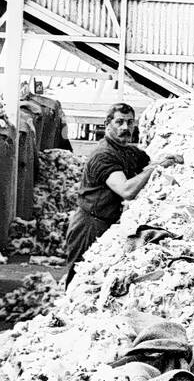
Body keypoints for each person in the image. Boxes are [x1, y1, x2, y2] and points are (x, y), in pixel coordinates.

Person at [64, 103, 179, 284]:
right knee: (80, 280)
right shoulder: (103, 155)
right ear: (107, 124)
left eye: (130, 122)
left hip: (106, 223)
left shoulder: (128, 151)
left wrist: (168, 160)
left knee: (98, 280)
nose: (125, 128)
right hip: (90, 225)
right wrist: (156, 167)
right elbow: (126, 190)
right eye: (119, 122)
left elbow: (147, 166)